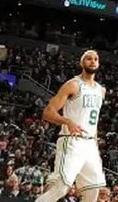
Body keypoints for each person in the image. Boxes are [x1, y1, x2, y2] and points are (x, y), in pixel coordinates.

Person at [36, 50, 106, 202]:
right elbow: (48, 113)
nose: (93, 61)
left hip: (90, 144)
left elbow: (93, 121)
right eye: (88, 59)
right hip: (71, 140)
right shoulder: (73, 85)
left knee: (93, 191)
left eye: (95, 59)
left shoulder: (101, 90)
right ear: (82, 63)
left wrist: (95, 144)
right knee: (61, 188)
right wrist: (67, 121)